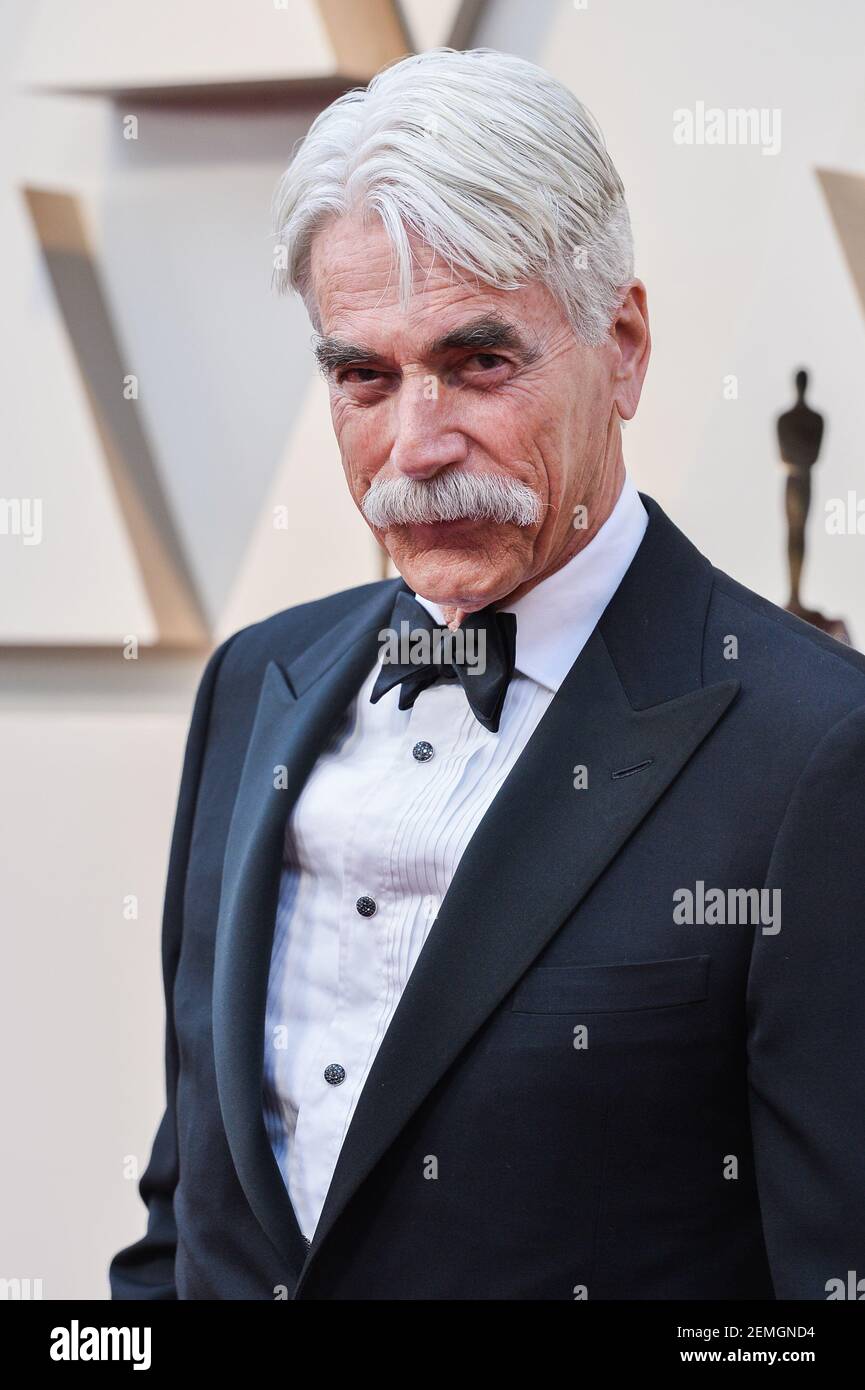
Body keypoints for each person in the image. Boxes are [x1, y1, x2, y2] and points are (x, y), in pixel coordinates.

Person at [109, 47, 865, 1301]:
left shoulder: (816, 752)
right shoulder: (254, 684)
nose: (415, 444)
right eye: (363, 375)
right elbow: (185, 1218)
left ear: (621, 349)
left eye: (477, 363)